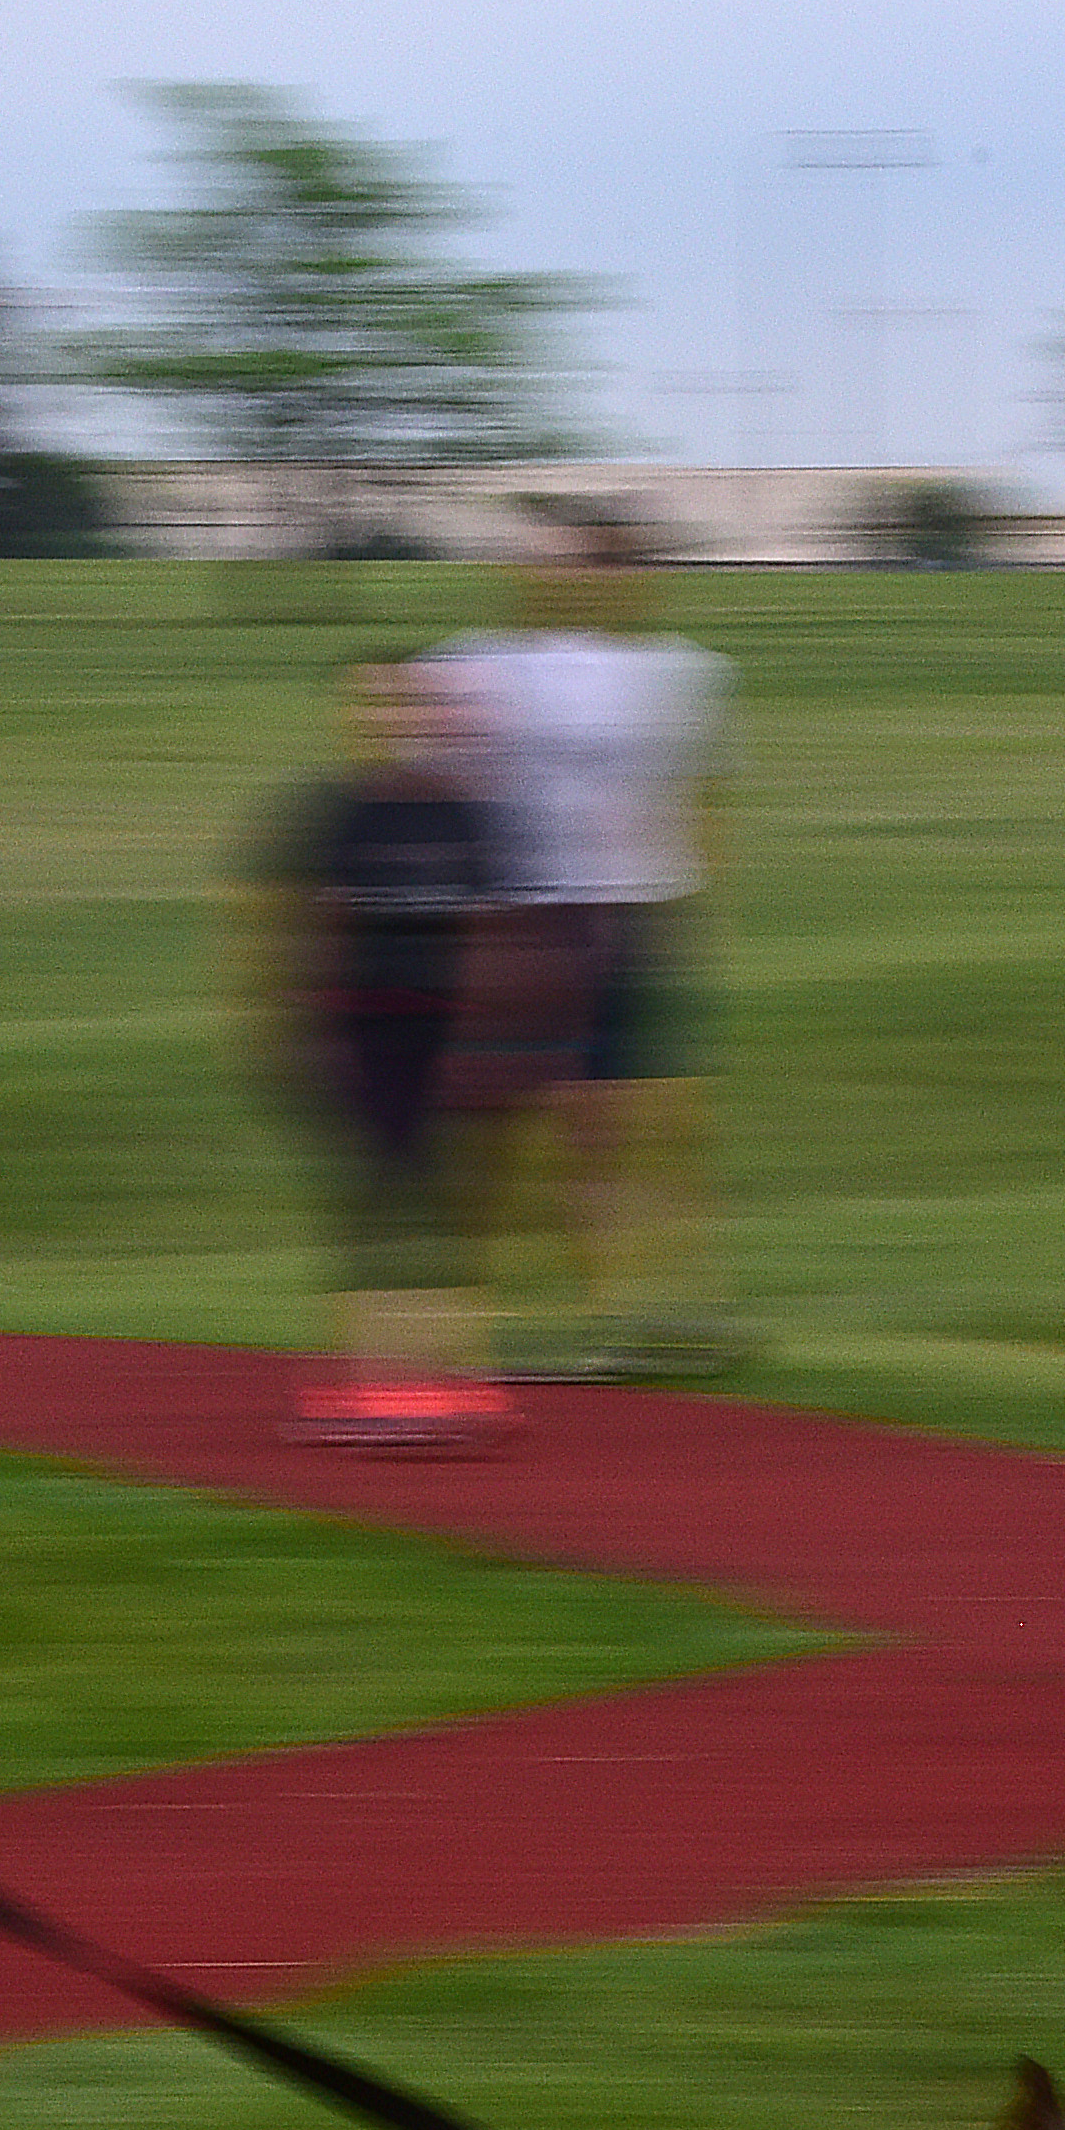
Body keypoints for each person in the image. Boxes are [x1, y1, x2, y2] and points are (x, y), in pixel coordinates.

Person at [431, 522, 740, 1383]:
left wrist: (693, 904)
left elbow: (698, 804)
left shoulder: (688, 673)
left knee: (612, 1128)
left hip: (630, 919)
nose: (578, 580)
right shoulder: (468, 666)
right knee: (495, 1130)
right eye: (553, 561)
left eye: (601, 564)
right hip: (517, 919)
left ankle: (621, 1319)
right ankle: (475, 1314)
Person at [243, 654, 515, 1450]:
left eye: (403, 703)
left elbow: (496, 926)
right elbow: (282, 921)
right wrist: (282, 1025)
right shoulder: (329, 814)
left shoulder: (461, 813)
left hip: (449, 1027)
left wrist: (499, 1032)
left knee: (454, 1205)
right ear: (351, 716)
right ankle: (369, 1378)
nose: (390, 718)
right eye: (372, 703)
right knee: (368, 1200)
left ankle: (454, 1374)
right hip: (359, 1026)